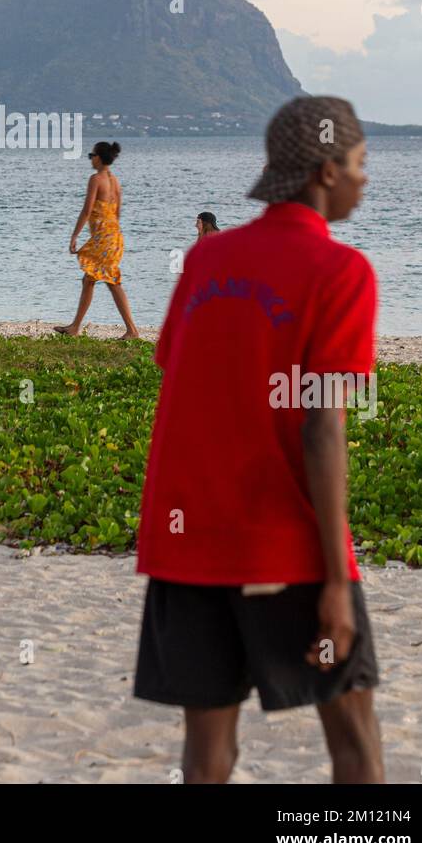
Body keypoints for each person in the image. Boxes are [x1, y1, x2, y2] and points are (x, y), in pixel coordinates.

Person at [134, 96, 383, 784]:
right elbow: (323, 427)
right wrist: (336, 578)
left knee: (208, 756)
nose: (366, 181)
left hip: (186, 547)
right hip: (287, 551)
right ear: (327, 171)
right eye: (362, 165)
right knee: (355, 744)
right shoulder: (342, 273)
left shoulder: (207, 260)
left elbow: (186, 377)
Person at [54, 140, 140, 340]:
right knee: (91, 280)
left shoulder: (96, 179)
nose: (90, 160)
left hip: (105, 238)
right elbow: (117, 213)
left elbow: (87, 210)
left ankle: (132, 330)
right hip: (115, 236)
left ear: (99, 158)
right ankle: (75, 326)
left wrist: (75, 235)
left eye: (91, 156)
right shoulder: (115, 181)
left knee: (111, 282)